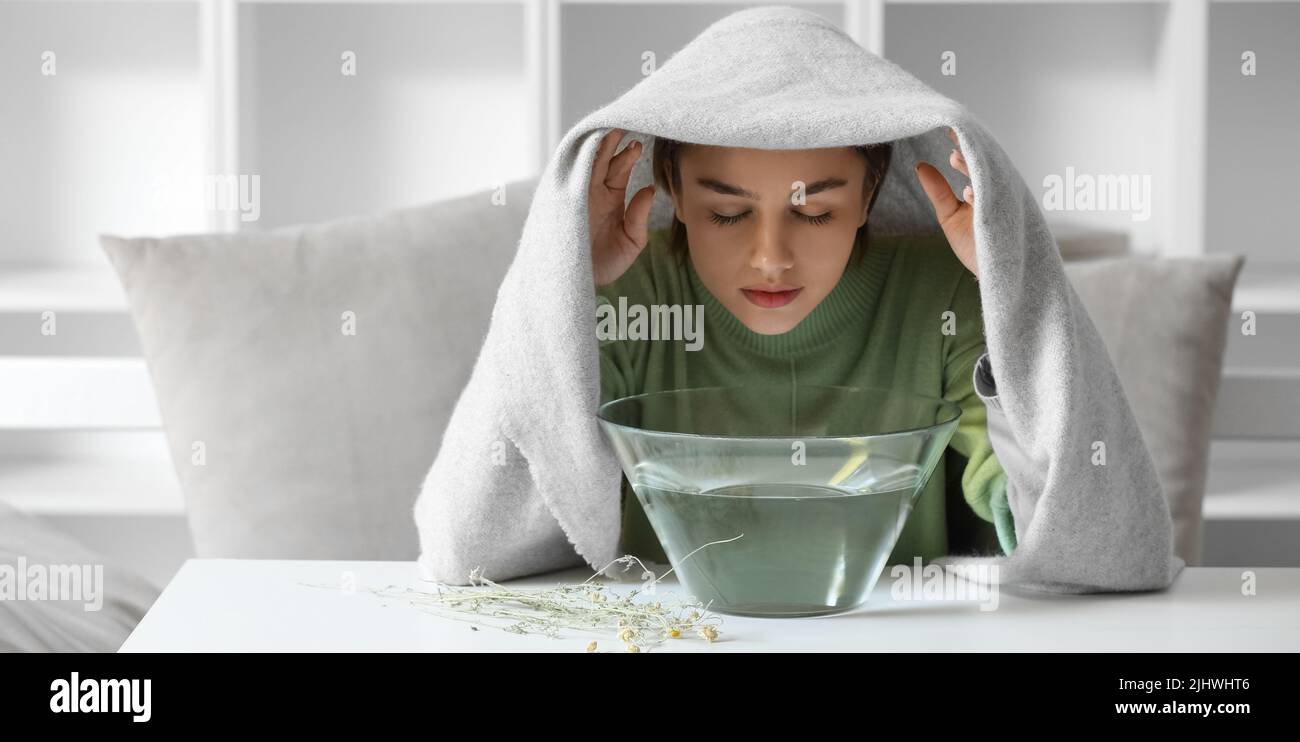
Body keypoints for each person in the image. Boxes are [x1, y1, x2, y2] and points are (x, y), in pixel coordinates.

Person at [591, 127, 1015, 566]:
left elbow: (1059, 528)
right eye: (728, 212)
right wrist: (571, 279)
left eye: (813, 212)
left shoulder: (941, 296)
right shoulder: (632, 295)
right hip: (671, 634)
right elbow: (523, 530)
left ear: (868, 193)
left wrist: (1014, 288)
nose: (771, 259)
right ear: (675, 190)